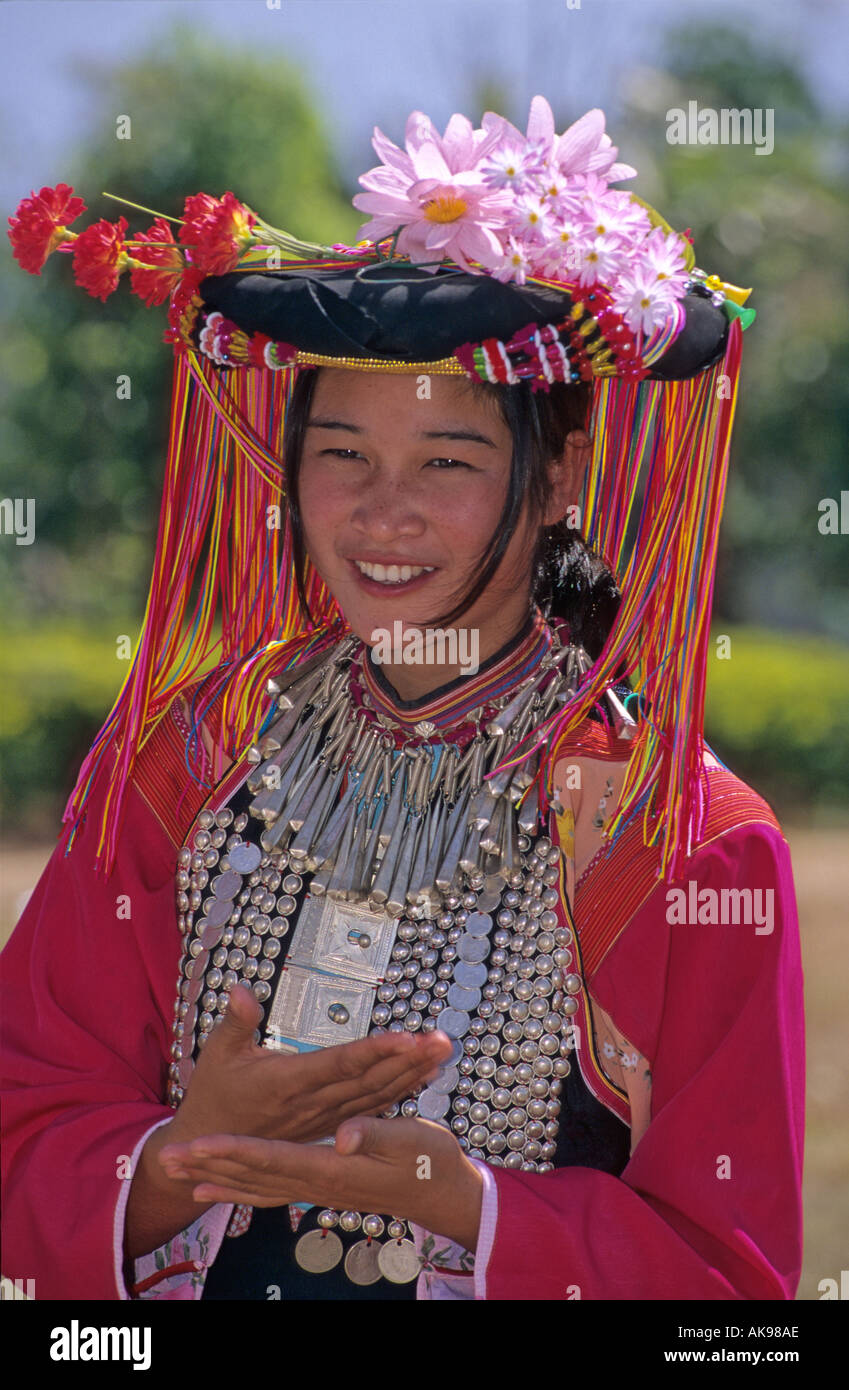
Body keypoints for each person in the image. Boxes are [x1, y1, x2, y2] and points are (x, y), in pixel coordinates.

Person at [2, 97, 804, 1301]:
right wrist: (183, 1161)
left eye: (448, 462)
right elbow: (23, 1122)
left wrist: (464, 1210)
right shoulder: (185, 761)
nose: (384, 513)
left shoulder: (679, 842)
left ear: (558, 478)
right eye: (342, 456)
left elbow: (731, 1290)